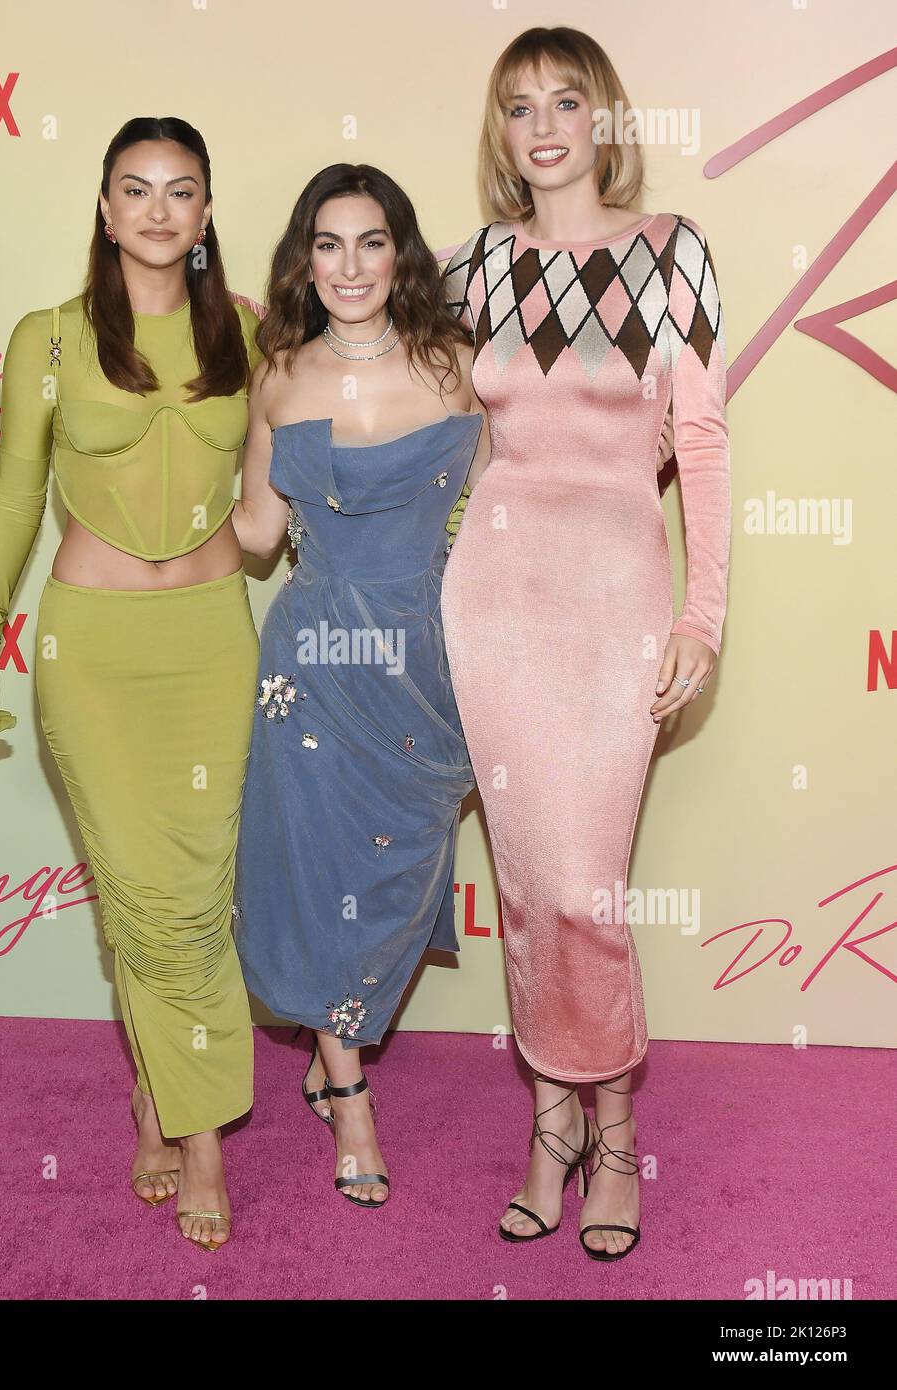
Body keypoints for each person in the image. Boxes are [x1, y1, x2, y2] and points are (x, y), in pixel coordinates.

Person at [440, 27, 730, 1260]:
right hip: (493, 597)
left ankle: (612, 1131)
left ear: (602, 116)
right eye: (519, 106)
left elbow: (699, 444)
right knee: (523, 881)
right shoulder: (471, 268)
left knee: (582, 884)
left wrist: (701, 615)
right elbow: (445, 436)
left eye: (566, 100)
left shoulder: (670, 251)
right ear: (499, 132)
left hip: (614, 594)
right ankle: (551, 1122)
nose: (543, 125)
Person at [0, 116, 264, 1252]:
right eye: (135, 189)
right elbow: (14, 497)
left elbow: (300, 468)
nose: (157, 210)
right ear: (103, 206)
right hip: (89, 654)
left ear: (205, 211)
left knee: (190, 899)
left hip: (212, 644)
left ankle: (156, 1094)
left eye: (181, 190)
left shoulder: (246, 331)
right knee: (144, 895)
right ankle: (199, 1135)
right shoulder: (47, 337)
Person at [229, 164, 488, 1208]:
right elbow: (256, 532)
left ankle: (333, 1037)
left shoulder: (459, 365)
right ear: (304, 260)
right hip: (313, 662)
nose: (349, 266)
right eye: (327, 244)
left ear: (399, 254)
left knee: (400, 870)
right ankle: (348, 1097)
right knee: (315, 865)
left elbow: (510, 503)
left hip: (425, 656)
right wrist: (147, 516)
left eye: (370, 242)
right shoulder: (277, 375)